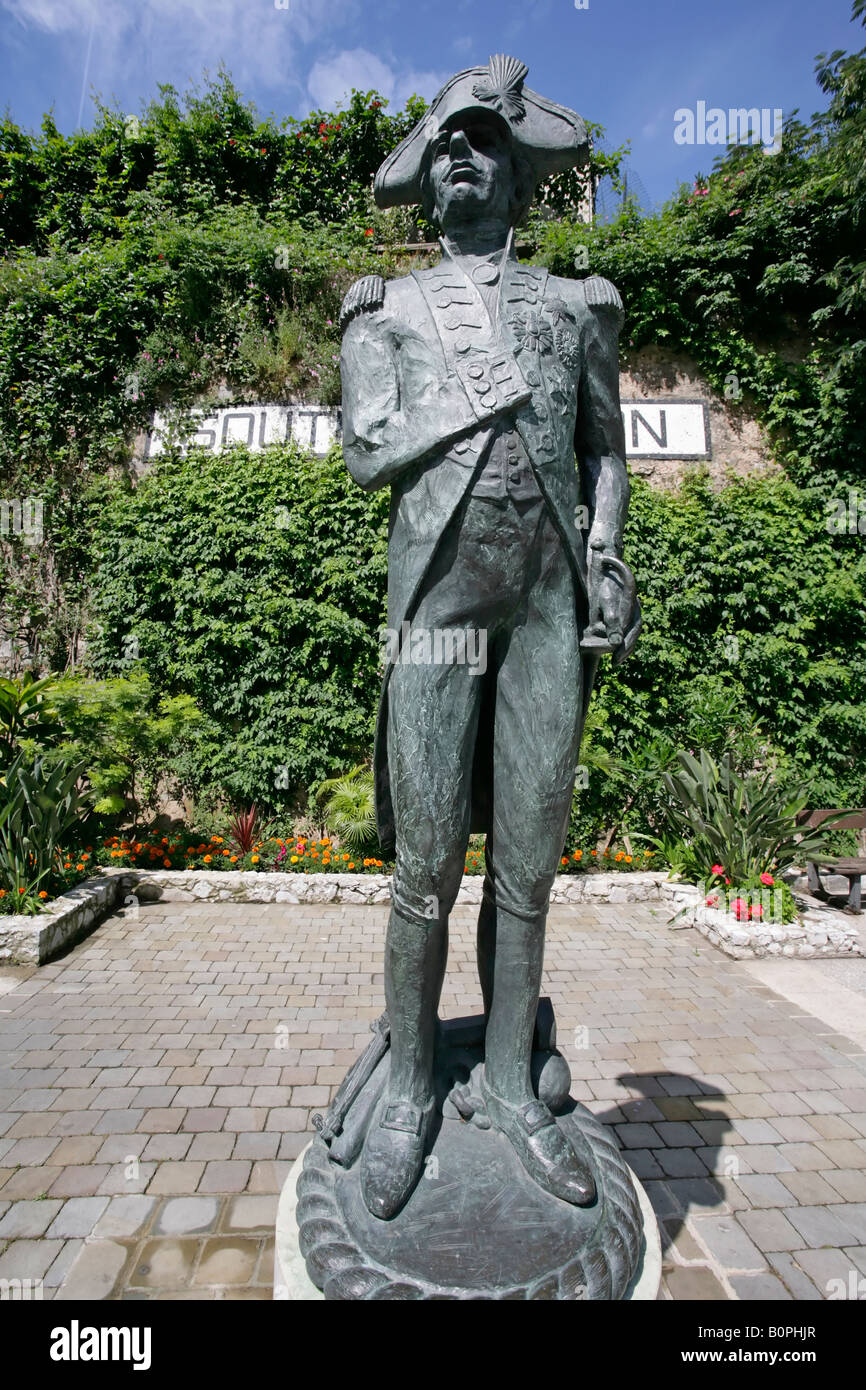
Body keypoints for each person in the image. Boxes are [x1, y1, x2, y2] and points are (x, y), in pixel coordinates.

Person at [339, 55, 640, 1220]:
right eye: (444, 145)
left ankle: (512, 1085)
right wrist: (467, 393)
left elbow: (604, 453)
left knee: (527, 869)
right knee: (423, 872)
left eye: (484, 142)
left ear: (518, 172)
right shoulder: (387, 308)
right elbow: (367, 453)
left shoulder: (579, 307)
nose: (461, 157)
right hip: (435, 607)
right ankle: (412, 1087)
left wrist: (607, 550)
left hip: (546, 609)